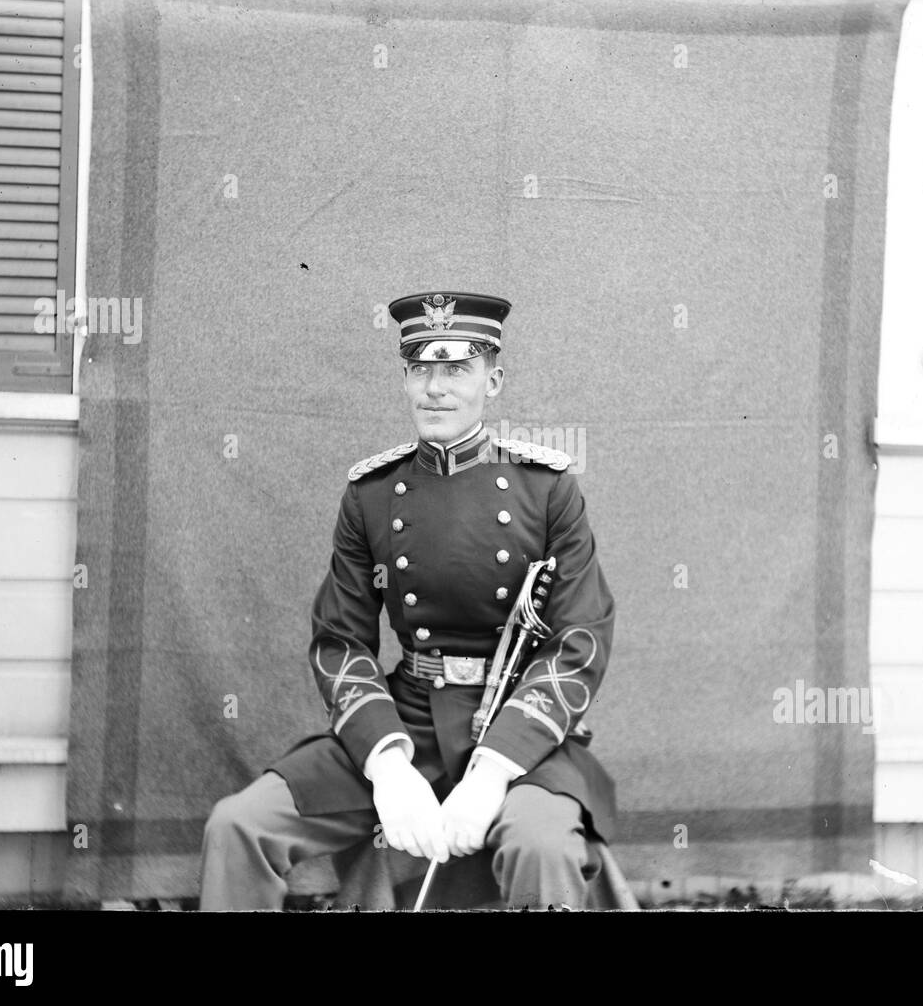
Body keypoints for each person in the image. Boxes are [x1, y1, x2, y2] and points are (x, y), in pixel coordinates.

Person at [200, 291, 618, 909]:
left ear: (492, 380)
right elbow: (340, 641)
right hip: (406, 720)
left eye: (457, 369)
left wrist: (495, 770)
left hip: (516, 728)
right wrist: (387, 764)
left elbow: (579, 641)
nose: (436, 388)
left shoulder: (547, 489)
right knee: (237, 823)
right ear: (404, 377)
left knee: (541, 845)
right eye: (422, 369)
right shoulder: (372, 494)